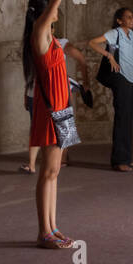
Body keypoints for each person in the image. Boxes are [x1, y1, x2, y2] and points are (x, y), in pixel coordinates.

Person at [25, 0, 85, 249]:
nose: (57, 9)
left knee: (55, 172)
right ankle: (43, 232)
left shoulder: (49, 39)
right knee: (47, 172)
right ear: (44, 12)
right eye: (51, 8)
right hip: (50, 113)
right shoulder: (40, 34)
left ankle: (53, 226)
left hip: (61, 110)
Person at [21, 36, 88, 174]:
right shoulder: (35, 43)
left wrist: (86, 82)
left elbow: (81, 58)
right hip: (35, 92)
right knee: (36, 127)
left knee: (62, 124)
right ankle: (32, 164)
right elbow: (31, 72)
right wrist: (26, 93)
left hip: (57, 92)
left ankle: (62, 158)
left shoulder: (60, 43)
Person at [89, 7, 133, 172]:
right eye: (128, 17)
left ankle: (127, 157)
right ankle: (119, 160)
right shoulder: (114, 33)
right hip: (121, 77)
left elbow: (131, 54)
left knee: (128, 118)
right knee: (122, 117)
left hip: (131, 78)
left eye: (132, 17)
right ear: (119, 20)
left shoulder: (131, 35)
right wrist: (109, 56)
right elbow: (92, 43)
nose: (131, 19)